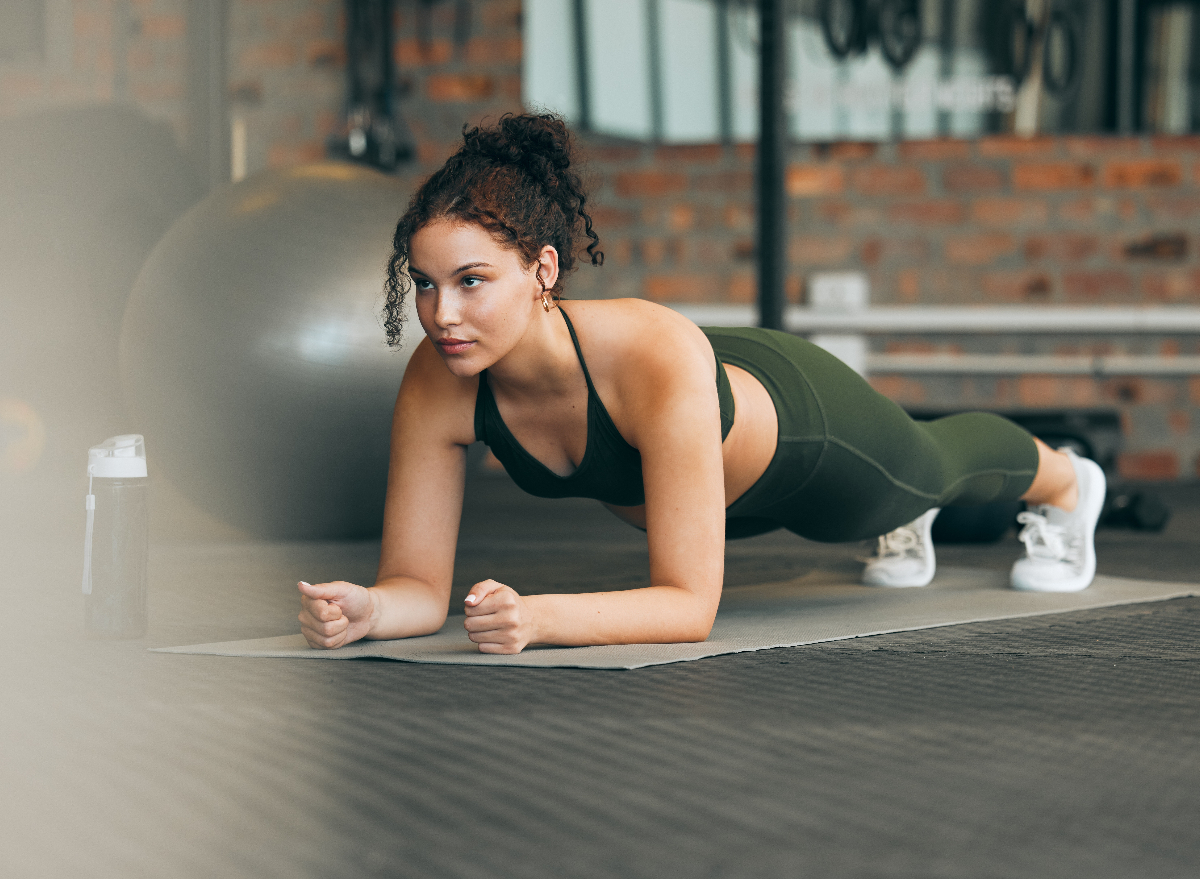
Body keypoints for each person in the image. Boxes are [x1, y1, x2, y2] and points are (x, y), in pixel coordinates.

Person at [297, 113, 1106, 655]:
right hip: (712, 488)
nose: (442, 312)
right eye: (426, 283)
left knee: (929, 468)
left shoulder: (651, 355)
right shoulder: (440, 379)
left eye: (472, 280)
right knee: (895, 501)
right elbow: (418, 587)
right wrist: (370, 609)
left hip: (803, 437)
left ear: (543, 269)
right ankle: (926, 519)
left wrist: (540, 617)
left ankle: (1072, 481)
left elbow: (689, 605)